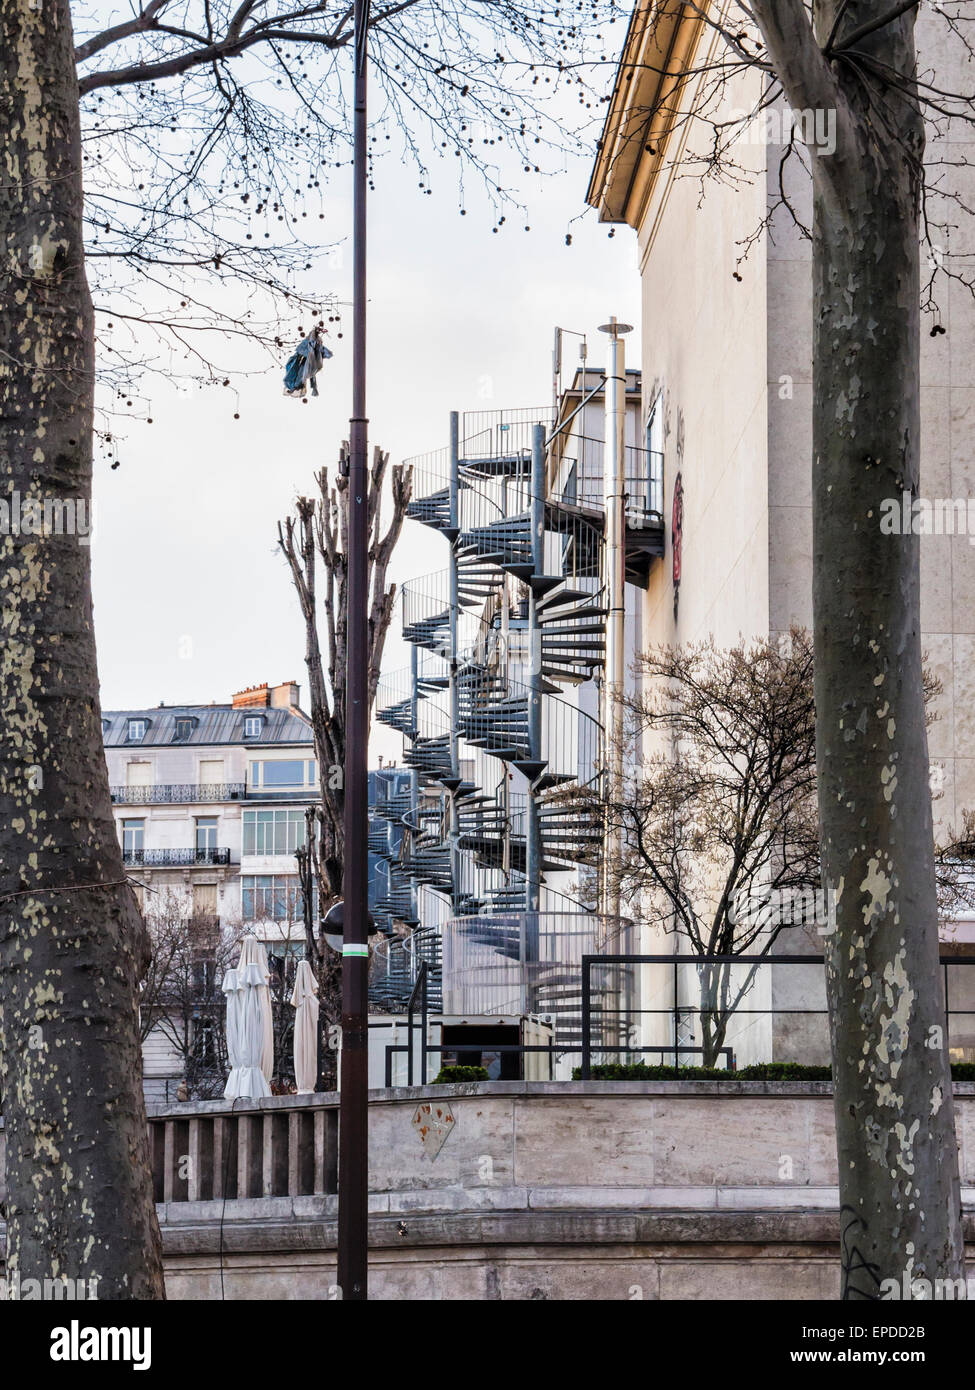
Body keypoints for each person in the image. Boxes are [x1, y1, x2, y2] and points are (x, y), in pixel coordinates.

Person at [283, 323, 332, 399]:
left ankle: (314, 334)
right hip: (306, 361)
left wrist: (314, 388)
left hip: (305, 360)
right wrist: (314, 388)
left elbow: (292, 369)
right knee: (311, 351)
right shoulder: (305, 376)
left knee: (310, 350)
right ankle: (314, 334)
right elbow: (310, 375)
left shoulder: (291, 382)